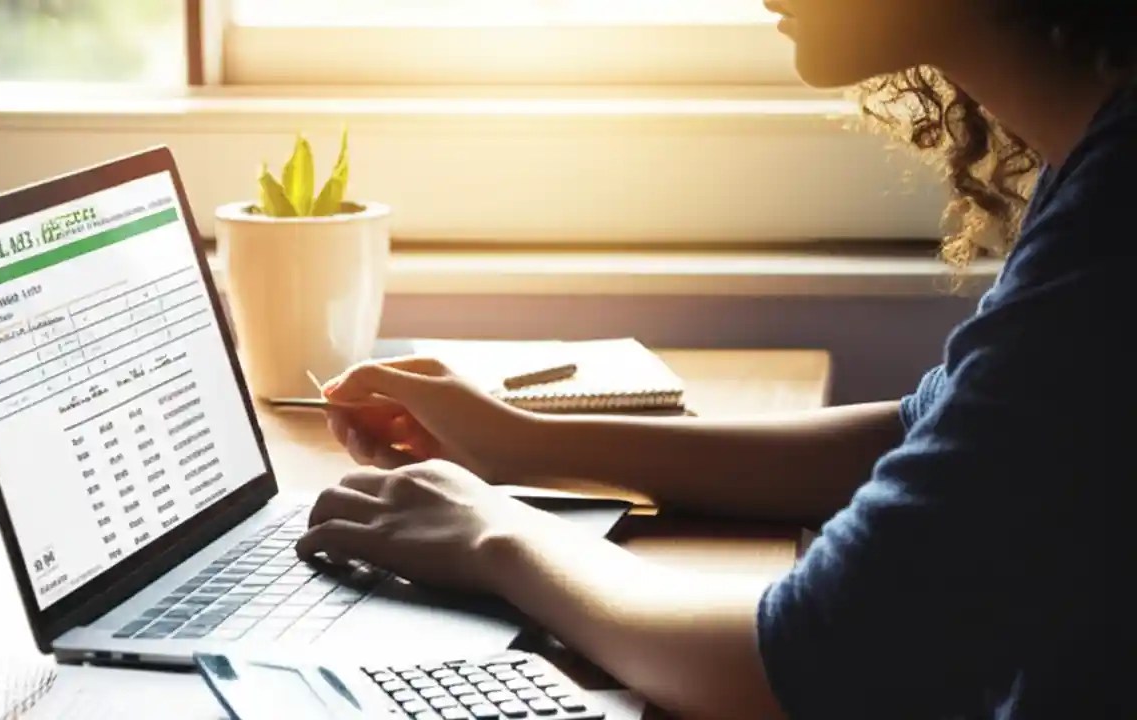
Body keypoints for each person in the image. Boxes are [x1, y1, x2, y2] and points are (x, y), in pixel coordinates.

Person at [296, 1, 1135, 717]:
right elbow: (924, 440)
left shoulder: (1114, 226)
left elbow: (806, 663)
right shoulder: (1094, 153)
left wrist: (493, 533)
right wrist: (520, 441)